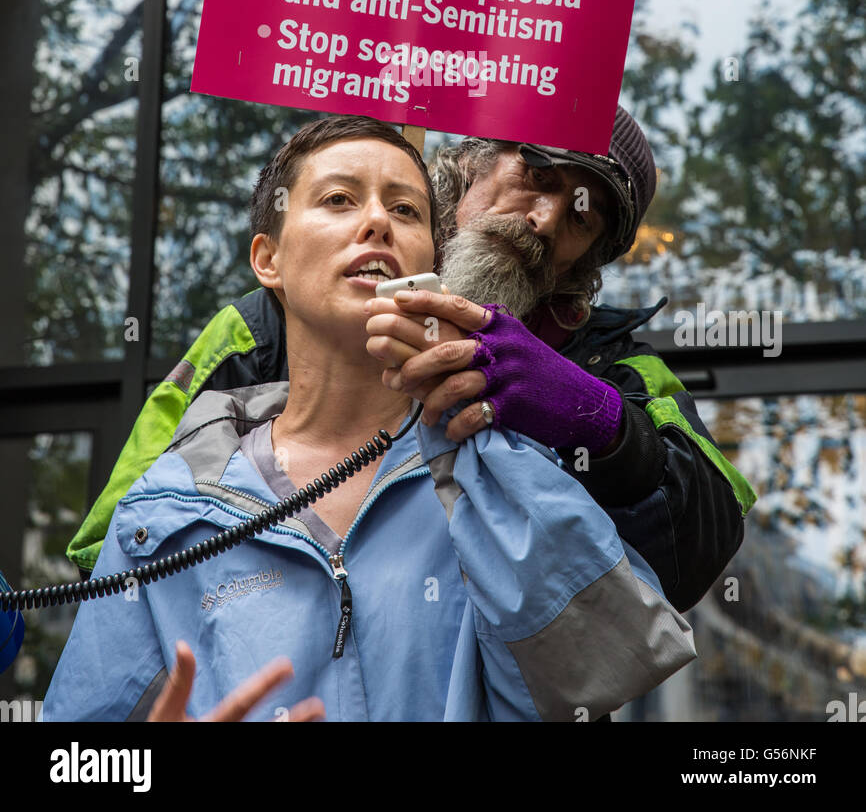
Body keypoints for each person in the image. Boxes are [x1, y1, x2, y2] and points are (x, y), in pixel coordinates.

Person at [43, 115, 696, 722]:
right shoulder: (164, 512)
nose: (377, 222)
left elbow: (604, 663)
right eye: (337, 200)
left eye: (404, 209)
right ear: (267, 259)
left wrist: (585, 418)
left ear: (431, 259)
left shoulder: (501, 481)